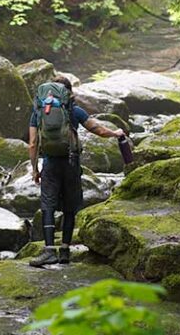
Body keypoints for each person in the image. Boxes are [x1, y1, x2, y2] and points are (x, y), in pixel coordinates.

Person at [28, 75, 124, 267]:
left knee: (48, 205)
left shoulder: (40, 111)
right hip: (71, 163)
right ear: (69, 93)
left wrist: (34, 168)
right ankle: (64, 250)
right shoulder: (75, 111)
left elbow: (32, 143)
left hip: (50, 163)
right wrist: (116, 133)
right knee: (70, 206)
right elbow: (98, 129)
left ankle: (49, 251)